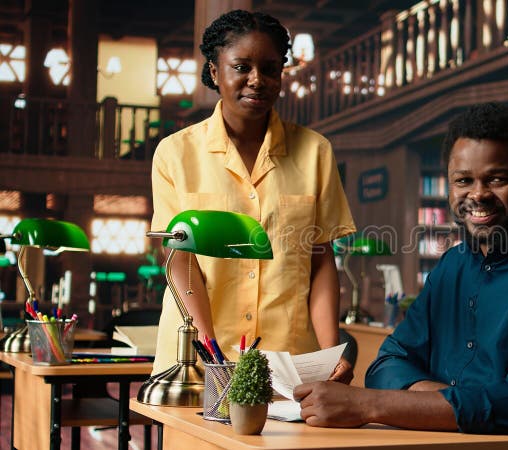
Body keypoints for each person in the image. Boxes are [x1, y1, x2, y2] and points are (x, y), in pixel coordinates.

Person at [293, 103, 508, 448]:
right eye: (463, 180)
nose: (477, 194)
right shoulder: (452, 265)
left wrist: (368, 404)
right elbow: (387, 363)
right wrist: (448, 401)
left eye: (497, 179)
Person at [150, 9, 356, 382]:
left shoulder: (315, 152)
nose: (257, 80)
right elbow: (179, 258)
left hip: (288, 359)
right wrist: (210, 351)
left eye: (270, 68)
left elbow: (322, 261)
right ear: (215, 71)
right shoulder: (175, 153)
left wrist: (329, 355)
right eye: (242, 67)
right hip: (195, 358)